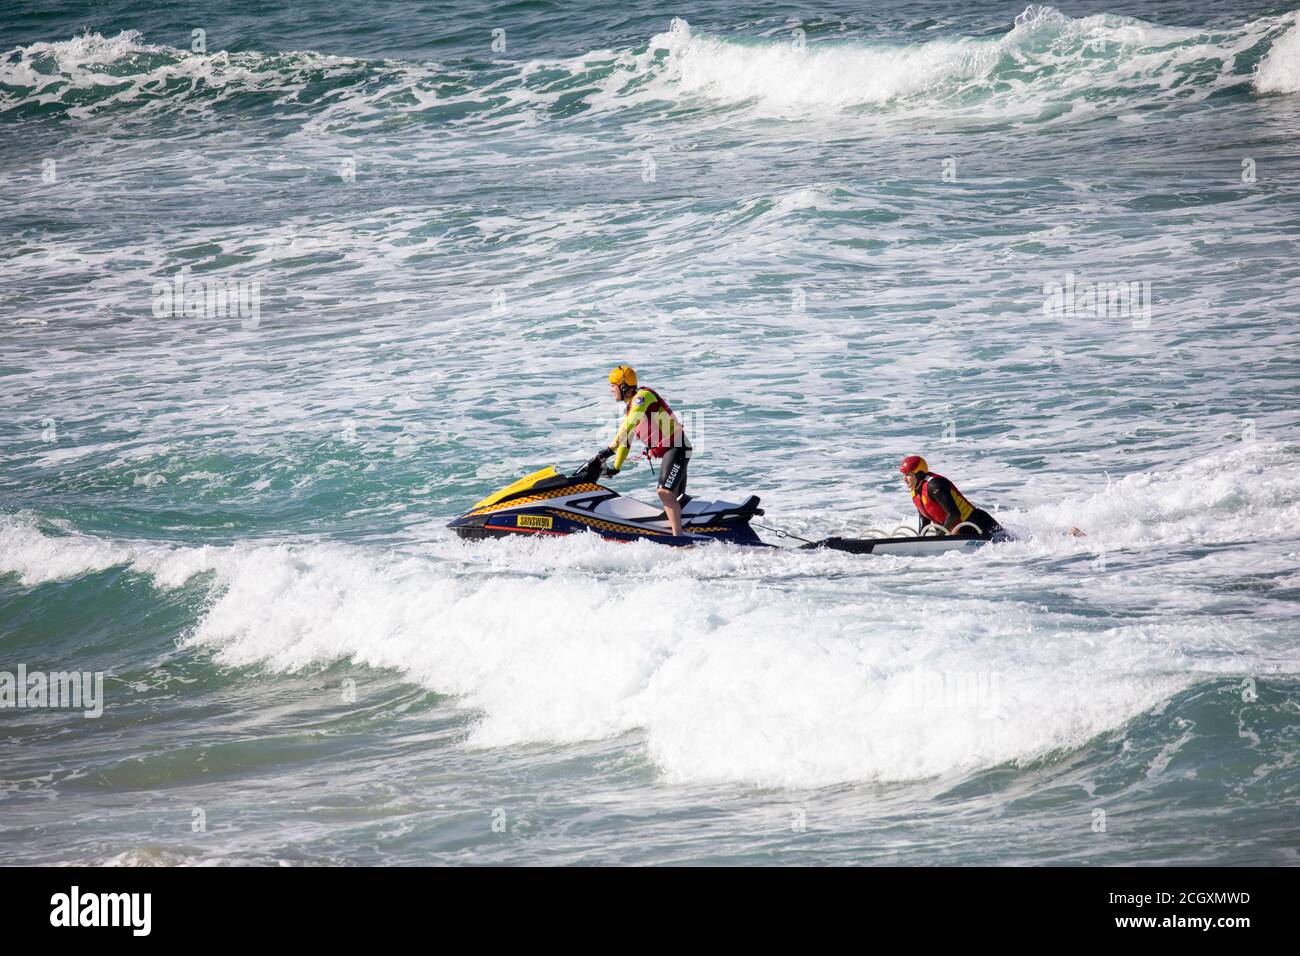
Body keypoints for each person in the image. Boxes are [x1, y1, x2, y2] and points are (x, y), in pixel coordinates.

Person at [594, 366, 692, 536]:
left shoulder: (642, 397)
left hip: (678, 447)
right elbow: (626, 441)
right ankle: (691, 531)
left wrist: (610, 449)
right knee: (675, 499)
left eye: (613, 385)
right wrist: (616, 467)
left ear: (623, 386)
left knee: (665, 492)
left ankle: (680, 541)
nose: (611, 390)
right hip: (673, 450)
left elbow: (628, 425)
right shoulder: (631, 408)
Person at [898, 455, 1011, 541]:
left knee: (1011, 546)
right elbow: (924, 516)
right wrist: (921, 539)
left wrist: (937, 538)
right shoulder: (915, 490)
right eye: (904, 475)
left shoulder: (934, 485)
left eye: (908, 475)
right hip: (958, 531)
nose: (905, 479)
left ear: (919, 474)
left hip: (977, 524)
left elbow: (954, 514)